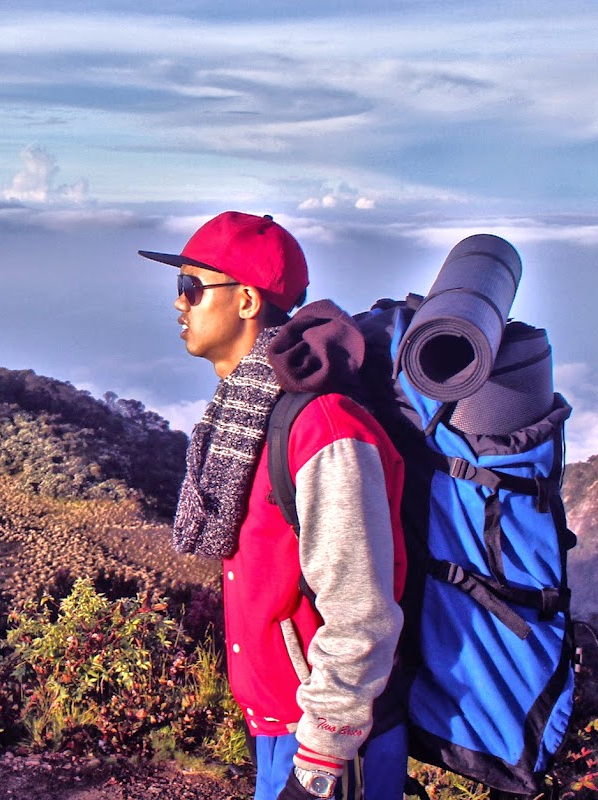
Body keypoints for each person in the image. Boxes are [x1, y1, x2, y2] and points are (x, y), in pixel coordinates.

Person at [138, 212, 408, 800]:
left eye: (190, 287)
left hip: (328, 746)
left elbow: (361, 613)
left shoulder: (322, 429)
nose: (178, 304)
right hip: (280, 728)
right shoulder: (249, 414)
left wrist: (319, 758)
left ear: (246, 301)